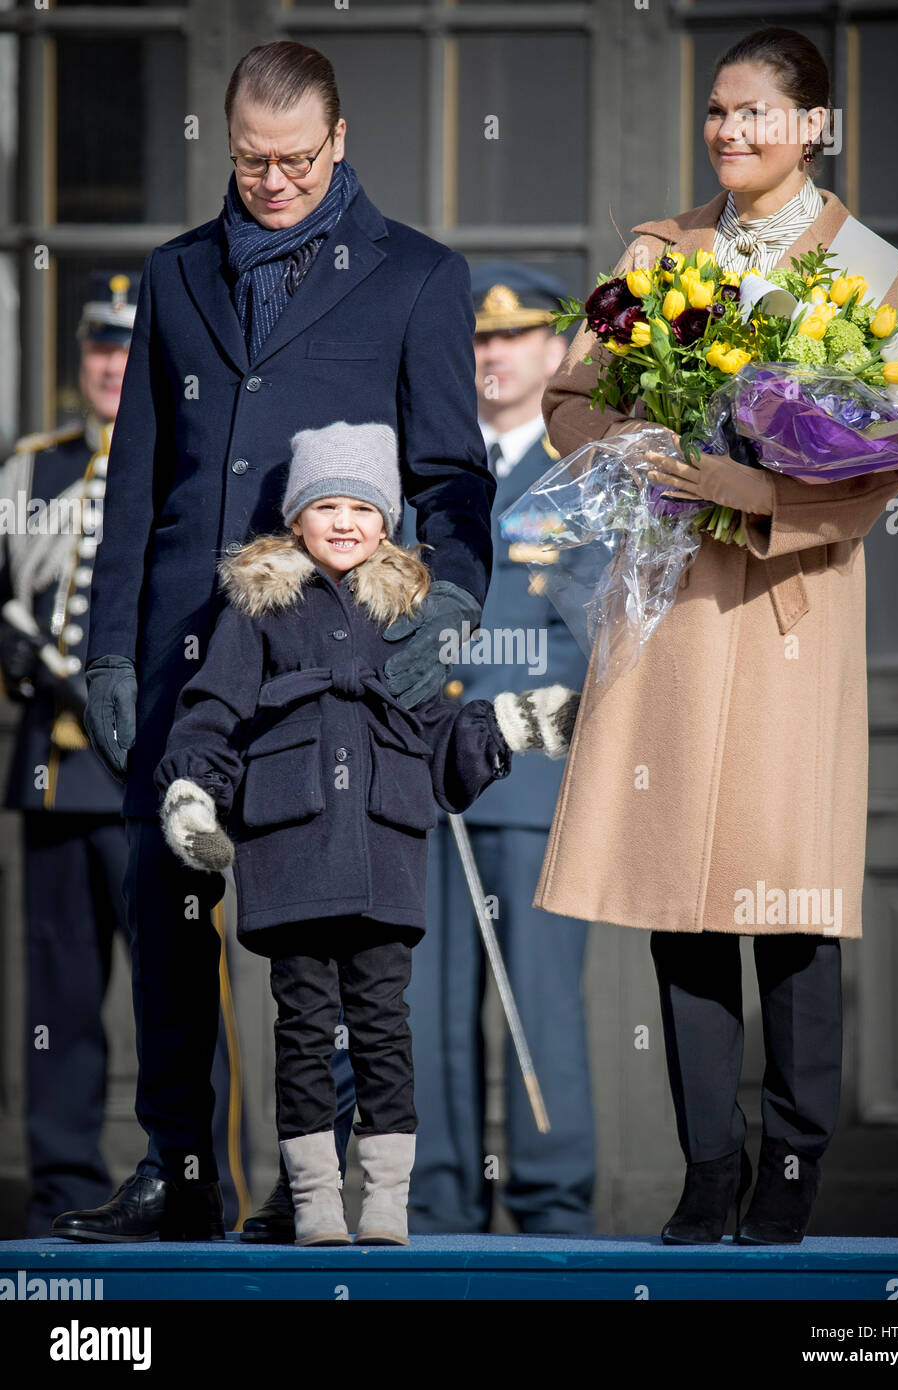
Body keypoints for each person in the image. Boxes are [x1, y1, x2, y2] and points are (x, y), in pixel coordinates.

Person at [55, 39, 496, 1244]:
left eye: (297, 159)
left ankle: (327, 1187)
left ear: (340, 140)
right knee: (172, 902)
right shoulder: (176, 273)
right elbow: (138, 483)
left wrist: (452, 604)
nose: (275, 181)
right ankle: (182, 1165)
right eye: (252, 160)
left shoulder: (417, 276)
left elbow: (456, 478)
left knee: (329, 917)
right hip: (180, 651)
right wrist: (106, 644)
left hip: (332, 661)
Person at [531, 26, 898, 1244]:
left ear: (812, 126)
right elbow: (567, 403)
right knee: (678, 892)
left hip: (793, 604)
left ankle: (792, 1170)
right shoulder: (659, 250)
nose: (730, 132)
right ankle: (707, 1170)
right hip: (673, 606)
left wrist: (753, 489)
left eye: (754, 113)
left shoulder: (860, 263)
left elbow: (884, 461)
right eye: (716, 113)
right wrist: (648, 446)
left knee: (789, 891)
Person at [152, 422, 580, 1245]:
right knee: (304, 1026)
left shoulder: (406, 611)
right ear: (296, 520)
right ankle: (313, 1200)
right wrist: (194, 797)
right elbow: (212, 711)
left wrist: (511, 725)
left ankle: (385, 1200)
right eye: (325, 506)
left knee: (384, 1022)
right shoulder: (259, 607)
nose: (344, 522)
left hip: (383, 843)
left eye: (361, 506)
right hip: (290, 845)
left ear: (386, 521)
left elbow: (435, 728)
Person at [0, 272, 245, 1233]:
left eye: (123, 350)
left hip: (157, 767)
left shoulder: (188, 457)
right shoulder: (33, 472)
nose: (111, 367)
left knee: (182, 986)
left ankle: (200, 1180)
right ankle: (62, 1188)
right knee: (58, 995)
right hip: (55, 773)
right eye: (99, 350)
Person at [404, 263, 596, 1235]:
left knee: (540, 1010)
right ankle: (437, 1206)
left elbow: (614, 645)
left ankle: (553, 1208)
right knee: (426, 1010)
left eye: (512, 337)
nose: (491, 355)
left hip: (530, 779)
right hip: (418, 780)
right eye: (478, 340)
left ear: (556, 350)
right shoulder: (429, 472)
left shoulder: (585, 480)